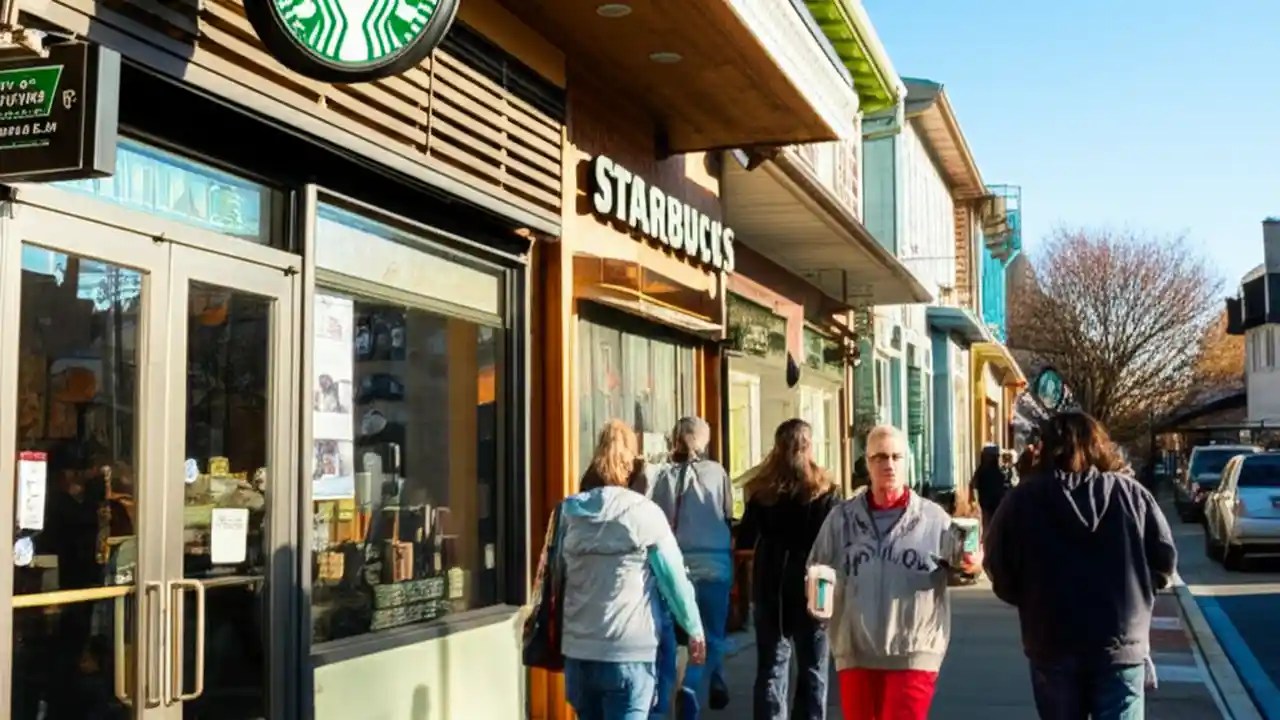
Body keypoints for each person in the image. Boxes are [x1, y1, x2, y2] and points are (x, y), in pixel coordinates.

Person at [983, 412, 1178, 720]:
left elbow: (998, 566)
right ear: (1099, 446)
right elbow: (1164, 560)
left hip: (1051, 638)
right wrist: (1141, 592)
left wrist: (1029, 597)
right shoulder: (1131, 495)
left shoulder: (1022, 501)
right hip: (1121, 642)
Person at [807, 424, 979, 720]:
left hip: (914, 650)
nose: (889, 465)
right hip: (856, 650)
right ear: (867, 464)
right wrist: (818, 594)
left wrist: (970, 563)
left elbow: (963, 568)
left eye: (897, 457)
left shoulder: (932, 518)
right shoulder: (842, 519)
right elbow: (817, 567)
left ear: (906, 463)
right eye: (880, 457)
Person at [560, 419, 707, 720]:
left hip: (578, 651)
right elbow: (674, 580)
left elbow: (556, 578)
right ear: (632, 463)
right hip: (629, 651)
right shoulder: (645, 513)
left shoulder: (569, 513)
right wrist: (694, 629)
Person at [737, 418, 842, 720]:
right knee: (813, 666)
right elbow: (837, 541)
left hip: (771, 583)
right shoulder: (826, 491)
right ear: (809, 447)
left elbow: (745, 541)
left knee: (772, 665)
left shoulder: (762, 491)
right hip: (816, 582)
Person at [649, 417, 734, 718]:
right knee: (711, 632)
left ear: (674, 439)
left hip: (676, 567)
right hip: (715, 564)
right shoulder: (717, 472)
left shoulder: (663, 477)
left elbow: (654, 522)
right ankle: (695, 684)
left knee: (671, 637)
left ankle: (670, 695)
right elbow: (726, 513)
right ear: (705, 441)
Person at [973, 444, 1010, 538]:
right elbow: (974, 485)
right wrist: (975, 502)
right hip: (987, 505)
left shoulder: (998, 472)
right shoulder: (982, 471)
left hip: (996, 504)